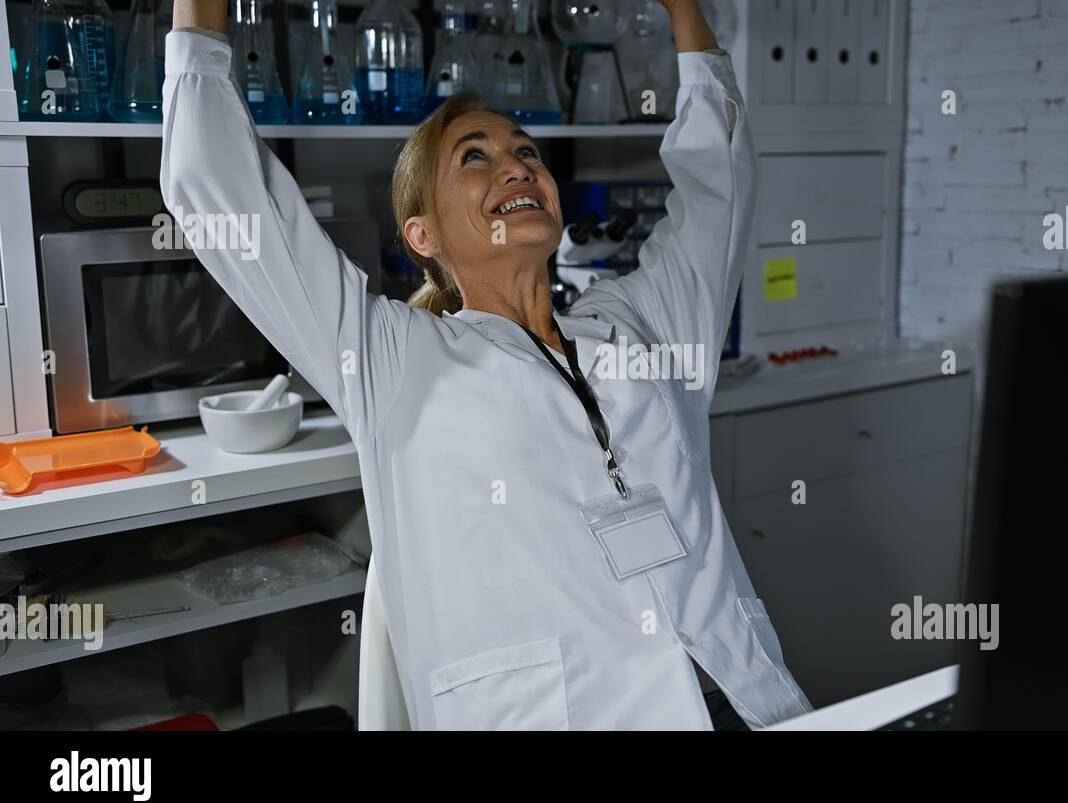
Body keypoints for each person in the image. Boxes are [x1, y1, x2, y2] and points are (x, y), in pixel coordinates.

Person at [162, 0, 813, 730]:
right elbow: (220, 191)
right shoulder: (392, 358)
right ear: (422, 234)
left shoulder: (638, 325)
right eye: (475, 156)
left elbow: (718, 188)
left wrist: (683, 10)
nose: (515, 165)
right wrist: (199, 25)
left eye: (526, 151)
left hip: (745, 699)